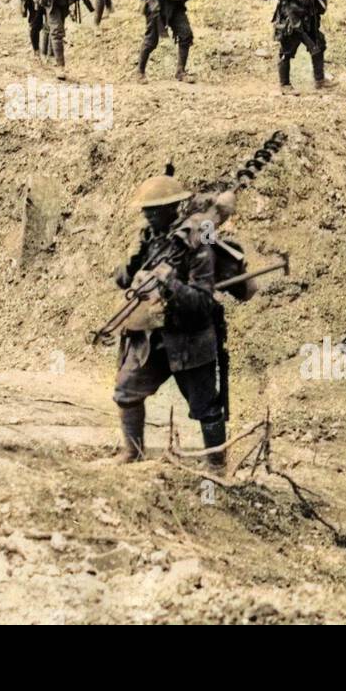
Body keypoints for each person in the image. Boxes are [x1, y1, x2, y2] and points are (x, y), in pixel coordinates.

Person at [110, 174, 226, 471]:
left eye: (154, 209)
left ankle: (216, 464)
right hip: (152, 337)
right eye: (145, 209)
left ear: (173, 208)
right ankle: (133, 453)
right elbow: (123, 281)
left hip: (189, 340)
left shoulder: (197, 243)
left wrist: (171, 283)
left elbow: (202, 302)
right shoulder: (149, 240)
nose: (147, 214)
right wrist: (134, 258)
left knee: (206, 408)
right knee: (126, 392)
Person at [260, 0, 330, 94]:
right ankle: (285, 85)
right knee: (287, 51)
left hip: (308, 18)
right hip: (292, 20)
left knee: (318, 45)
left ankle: (320, 81)